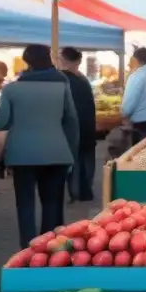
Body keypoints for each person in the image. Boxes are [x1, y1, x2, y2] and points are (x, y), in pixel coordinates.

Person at [0, 45, 79, 248]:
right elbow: (72, 121)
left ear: (27, 61)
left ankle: (29, 250)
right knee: (52, 204)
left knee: (25, 205)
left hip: (21, 155)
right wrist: (71, 154)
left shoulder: (11, 89)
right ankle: (50, 250)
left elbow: (1, 123)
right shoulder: (62, 84)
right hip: (57, 153)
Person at [59, 47, 98, 202]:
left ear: (62, 59)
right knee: (87, 158)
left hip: (72, 126)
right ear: (79, 61)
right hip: (88, 124)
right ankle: (85, 190)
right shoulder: (83, 79)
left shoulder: (62, 79)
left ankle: (76, 192)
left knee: (74, 159)